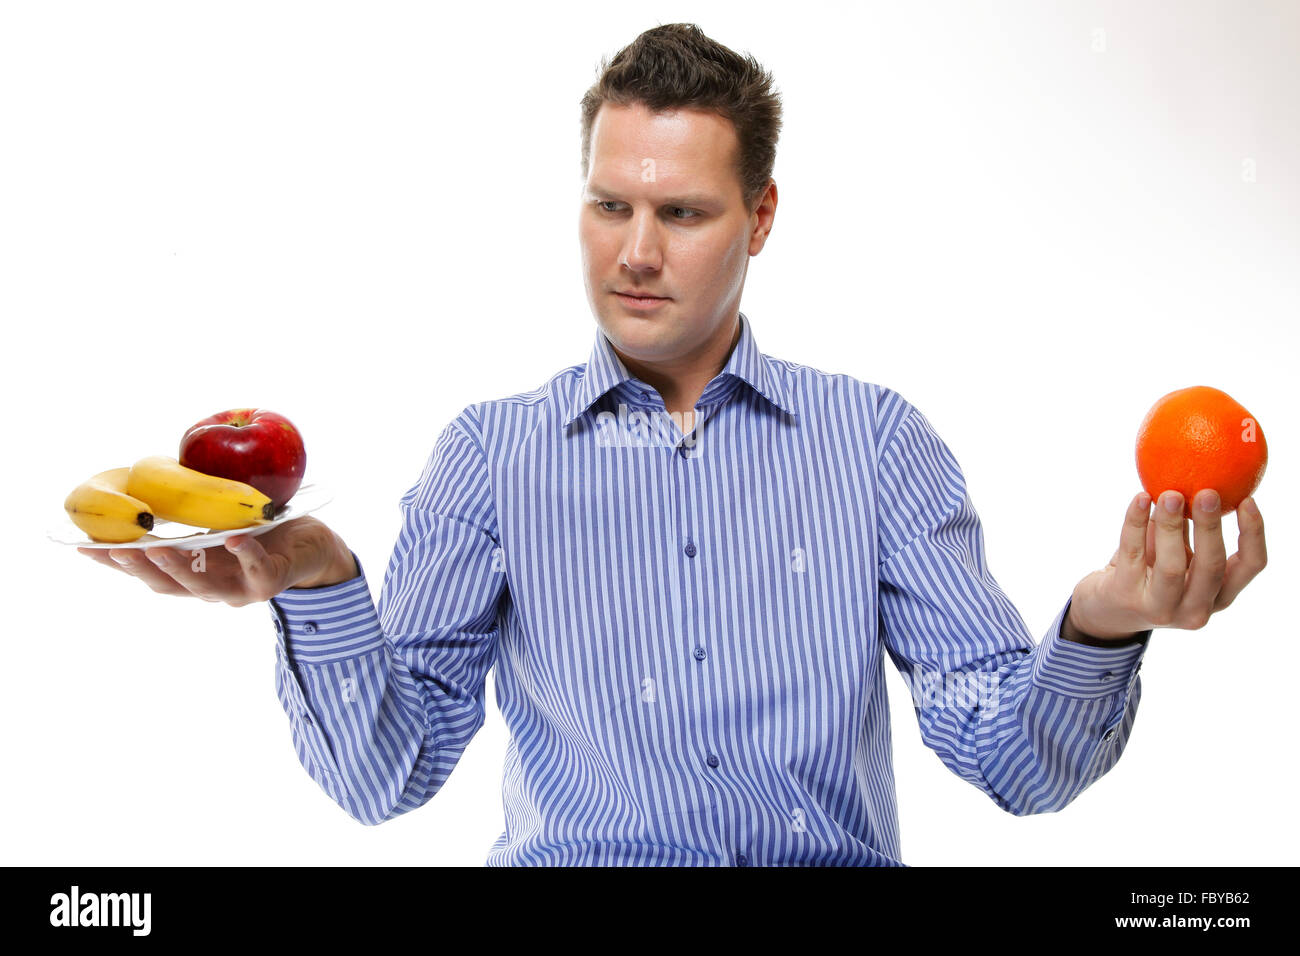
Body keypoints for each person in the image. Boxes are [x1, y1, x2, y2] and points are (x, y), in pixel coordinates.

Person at [80, 23, 1267, 866]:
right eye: (610, 205)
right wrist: (323, 578)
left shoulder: (876, 443)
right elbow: (386, 780)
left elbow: (1017, 761)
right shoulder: (491, 455)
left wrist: (1105, 615)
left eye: (683, 213)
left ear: (759, 218)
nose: (633, 252)